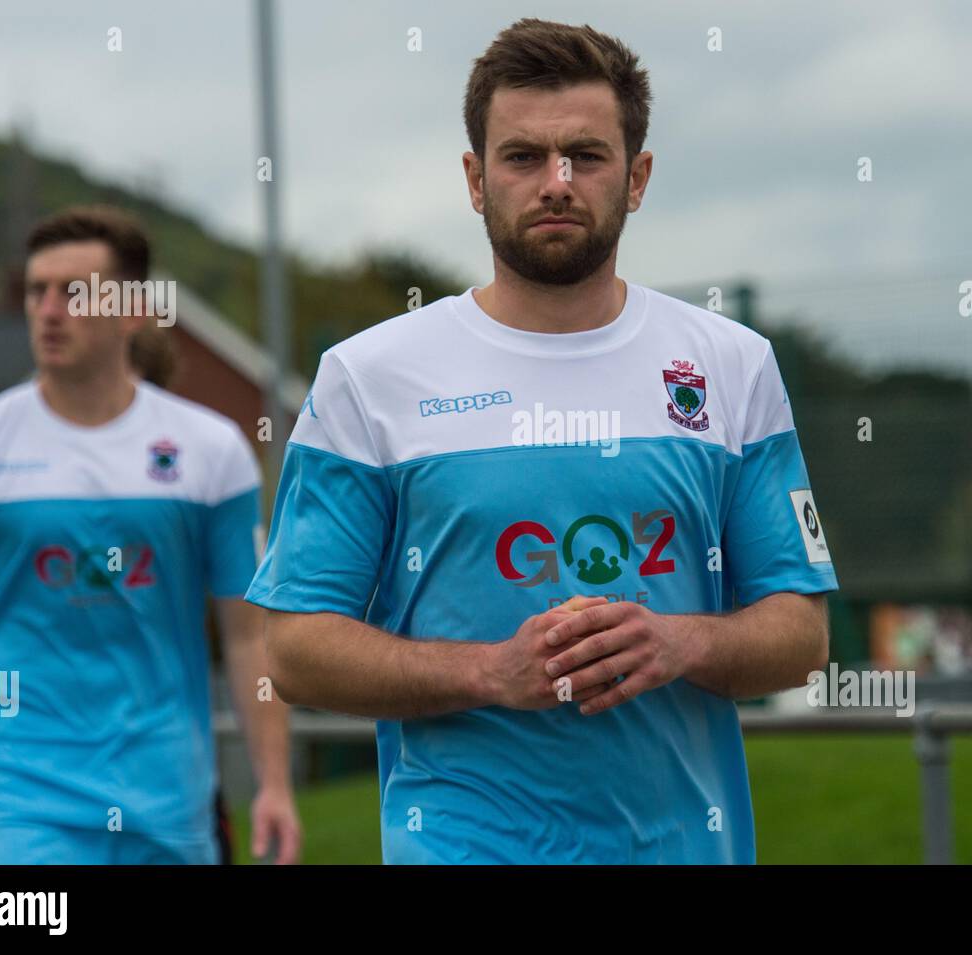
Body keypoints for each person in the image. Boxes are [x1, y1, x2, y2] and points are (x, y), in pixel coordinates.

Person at [247, 18, 837, 864]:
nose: (555, 182)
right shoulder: (367, 377)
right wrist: (491, 672)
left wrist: (681, 642)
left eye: (586, 156)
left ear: (636, 178)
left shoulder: (732, 366)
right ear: (474, 179)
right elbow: (295, 647)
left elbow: (802, 637)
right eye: (522, 157)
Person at [0, 205, 301, 864]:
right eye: (37, 291)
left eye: (74, 292)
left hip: (169, 799)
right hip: (22, 802)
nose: (48, 310)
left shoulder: (211, 452)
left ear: (132, 311)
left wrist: (274, 784)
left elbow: (245, 633)